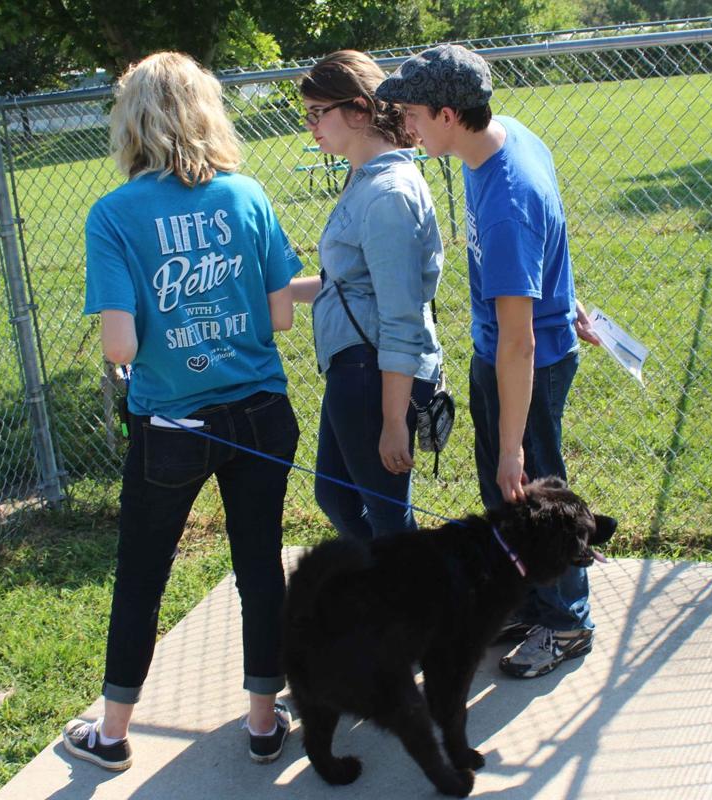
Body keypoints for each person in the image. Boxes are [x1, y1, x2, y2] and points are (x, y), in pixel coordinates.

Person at [64, 51, 303, 770]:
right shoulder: (247, 195)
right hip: (263, 413)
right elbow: (281, 316)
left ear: (132, 121)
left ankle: (112, 734)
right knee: (259, 565)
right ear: (206, 111)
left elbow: (119, 343)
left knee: (142, 575)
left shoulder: (113, 215)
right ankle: (263, 723)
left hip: (172, 428)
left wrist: (149, 347)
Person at [377, 45, 604, 679]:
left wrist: (511, 448)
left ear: (449, 114)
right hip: (504, 351)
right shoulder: (500, 142)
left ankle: (566, 623)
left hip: (524, 363)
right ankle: (531, 601)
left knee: (533, 498)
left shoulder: (506, 196)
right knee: (507, 500)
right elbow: (549, 243)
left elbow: (520, 341)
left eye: (414, 114)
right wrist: (567, 295)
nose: (406, 126)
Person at [289, 50, 444, 540]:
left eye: (319, 113)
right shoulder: (365, 179)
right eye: (307, 114)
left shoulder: (387, 195)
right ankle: (393, 594)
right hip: (356, 369)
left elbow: (401, 316)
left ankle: (418, 609)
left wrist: (394, 419)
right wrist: (275, 291)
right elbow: (350, 285)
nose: (312, 126)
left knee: (386, 514)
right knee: (335, 496)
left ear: (359, 110)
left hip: (376, 375)